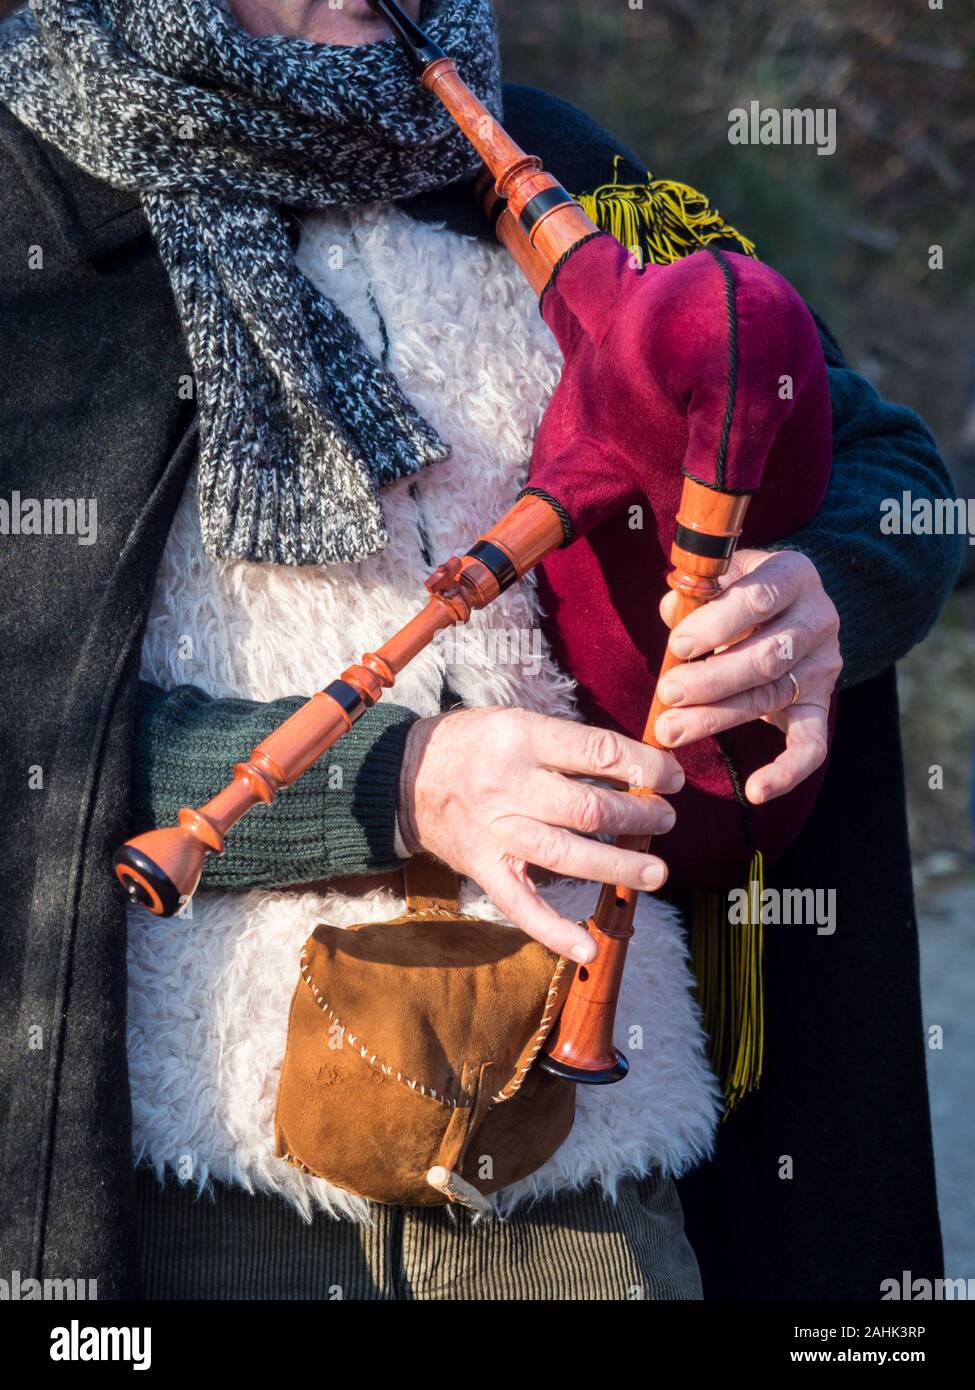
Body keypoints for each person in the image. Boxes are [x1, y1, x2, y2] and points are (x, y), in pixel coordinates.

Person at [0, 0, 960, 1301]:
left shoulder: (555, 163)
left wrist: (817, 586)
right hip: (191, 1202)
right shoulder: (30, 197)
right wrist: (404, 783)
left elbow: (899, 477)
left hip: (587, 1196)